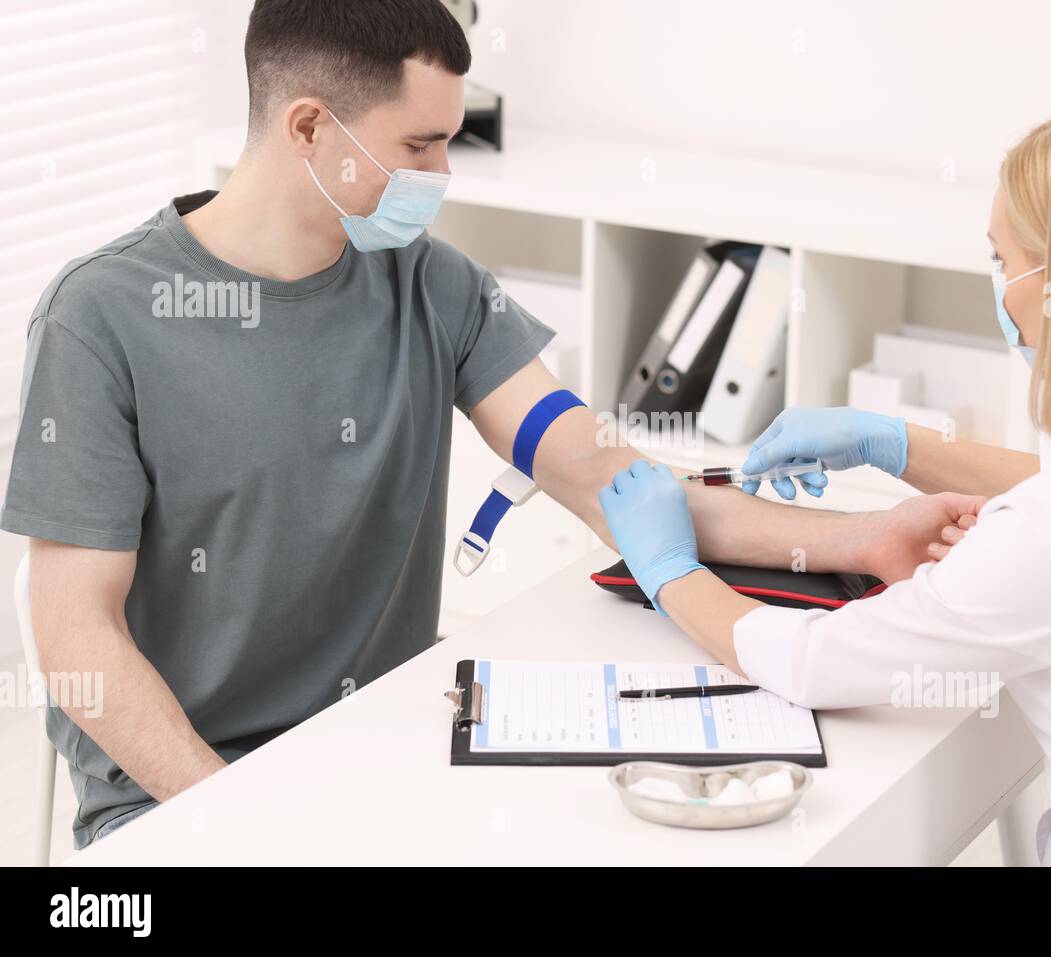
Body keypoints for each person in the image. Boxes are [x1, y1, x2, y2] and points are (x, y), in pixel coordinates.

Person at [2, 0, 975, 849]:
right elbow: (74, 632)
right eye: (418, 147)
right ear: (309, 127)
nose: (441, 177)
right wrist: (237, 822)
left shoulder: (432, 285)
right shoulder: (104, 318)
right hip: (180, 799)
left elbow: (612, 481)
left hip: (381, 755)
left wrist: (861, 539)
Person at [598, 101, 1051, 865]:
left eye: (1003, 263)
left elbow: (814, 661)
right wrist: (893, 444)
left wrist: (671, 572)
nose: (997, 291)